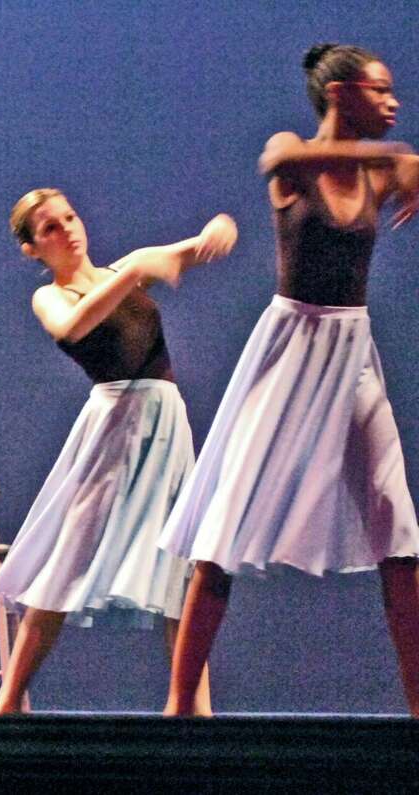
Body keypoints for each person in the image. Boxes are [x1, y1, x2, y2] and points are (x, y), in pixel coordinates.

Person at [160, 44, 419, 716]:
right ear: (339, 94)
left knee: (399, 530)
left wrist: (408, 167)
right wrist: (394, 157)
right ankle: (181, 704)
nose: (393, 103)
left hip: (351, 351)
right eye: (380, 90)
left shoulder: (380, 172)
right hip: (289, 351)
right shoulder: (294, 155)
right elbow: (277, 161)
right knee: (226, 527)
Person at [0, 188, 236, 715]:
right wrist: (135, 271)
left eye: (69, 217)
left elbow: (192, 250)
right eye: (50, 228)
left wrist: (217, 230)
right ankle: (7, 701)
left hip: (165, 424)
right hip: (115, 424)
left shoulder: (125, 270)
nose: (66, 229)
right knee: (70, 553)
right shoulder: (52, 295)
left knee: (182, 561)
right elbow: (72, 327)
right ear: (33, 249)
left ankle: (192, 707)